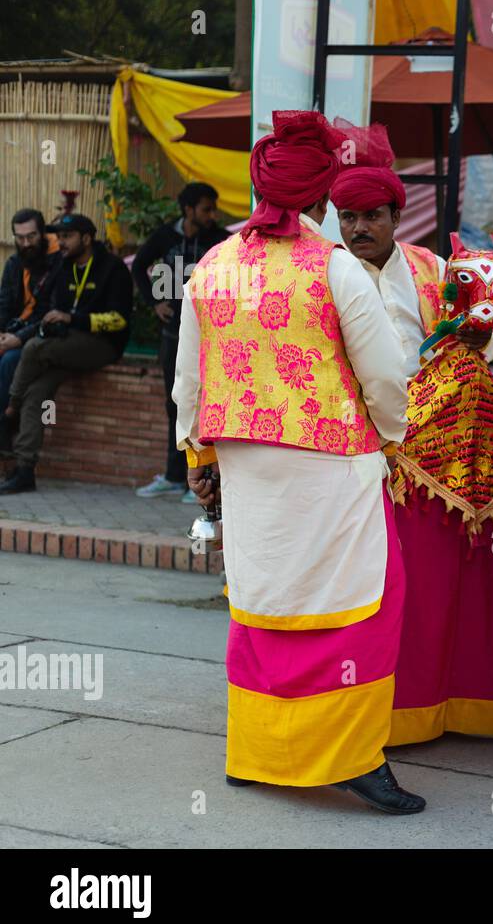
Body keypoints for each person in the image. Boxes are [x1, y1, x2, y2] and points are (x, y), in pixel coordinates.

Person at [172, 110, 421, 813]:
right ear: (321, 199)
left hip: (248, 468)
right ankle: (352, 759)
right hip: (333, 465)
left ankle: (257, 753)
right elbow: (383, 378)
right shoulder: (337, 268)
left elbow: (189, 379)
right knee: (360, 609)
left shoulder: (213, 266)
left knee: (261, 603)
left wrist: (197, 453)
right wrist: (393, 438)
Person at [330, 118, 493, 746]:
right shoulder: (326, 273)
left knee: (449, 585)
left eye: (371, 216)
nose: (359, 229)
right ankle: (378, 715)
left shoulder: (432, 267)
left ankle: (455, 706)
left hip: (441, 456)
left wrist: (481, 334)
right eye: (348, 217)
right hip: (362, 454)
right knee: (385, 592)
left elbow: (483, 344)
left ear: (396, 216)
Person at [0, 215, 133, 495]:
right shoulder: (63, 266)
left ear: (86, 238)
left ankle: (10, 406)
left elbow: (119, 320)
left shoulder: (112, 267)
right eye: (58, 236)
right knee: (37, 393)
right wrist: (59, 321)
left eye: (67, 236)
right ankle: (25, 470)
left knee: (35, 347)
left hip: (102, 345)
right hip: (68, 345)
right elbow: (53, 310)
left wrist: (73, 319)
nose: (60, 242)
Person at [132, 181, 229, 501]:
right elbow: (138, 268)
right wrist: (154, 302)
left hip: (211, 338)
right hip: (173, 335)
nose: (212, 215)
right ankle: (175, 476)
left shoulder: (221, 240)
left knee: (208, 405)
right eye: (206, 209)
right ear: (188, 210)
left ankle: (207, 478)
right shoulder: (165, 236)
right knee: (176, 403)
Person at [0, 209, 60, 417]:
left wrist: (19, 338)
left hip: (42, 335)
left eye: (31, 236)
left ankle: (4, 429)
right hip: (14, 332)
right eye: (20, 237)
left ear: (42, 233)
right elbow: (4, 304)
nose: (26, 243)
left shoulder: (59, 263)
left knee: (10, 360)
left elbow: (54, 313)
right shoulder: (14, 264)